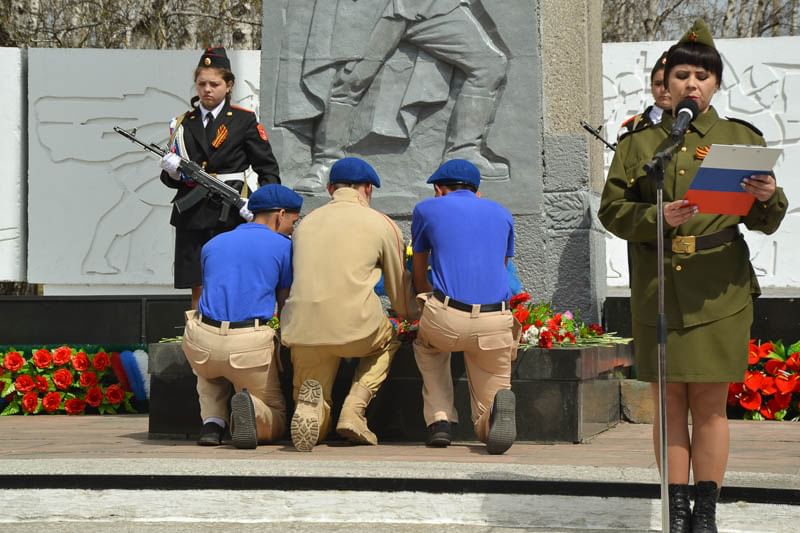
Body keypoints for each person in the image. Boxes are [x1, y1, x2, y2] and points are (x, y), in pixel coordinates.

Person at [598, 20, 788, 533]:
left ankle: (706, 512)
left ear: (716, 85)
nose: (692, 84)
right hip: (659, 288)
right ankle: (675, 509)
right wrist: (655, 218)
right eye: (682, 74)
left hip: (719, 289)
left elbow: (767, 218)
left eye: (702, 76)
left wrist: (768, 197)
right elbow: (612, 211)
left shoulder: (738, 139)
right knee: (669, 401)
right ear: (667, 81)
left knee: (709, 404)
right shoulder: (640, 143)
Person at [293, 0, 509, 192]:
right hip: (378, 8)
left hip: (432, 5)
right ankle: (327, 162)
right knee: (351, 81)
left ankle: (463, 152)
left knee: (490, 65)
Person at [280, 157, 418, 452]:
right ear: (367, 189)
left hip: (303, 330)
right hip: (357, 329)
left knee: (313, 380)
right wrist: (409, 316)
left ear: (330, 188)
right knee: (389, 338)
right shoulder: (381, 224)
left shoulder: (305, 224)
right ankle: (354, 409)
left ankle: (312, 409)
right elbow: (398, 289)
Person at [180, 184, 302, 449]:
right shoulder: (283, 246)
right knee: (276, 412)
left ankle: (212, 423)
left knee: (210, 376)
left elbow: (203, 292)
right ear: (280, 214)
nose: (294, 227)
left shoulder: (213, 244)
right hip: (248, 347)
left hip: (202, 340)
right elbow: (284, 301)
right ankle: (254, 413)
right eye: (294, 220)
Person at [160, 47, 281, 309]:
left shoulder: (243, 121)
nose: (207, 89)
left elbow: (268, 169)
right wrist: (171, 171)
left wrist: (261, 208)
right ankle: (197, 337)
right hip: (192, 215)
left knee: (231, 278)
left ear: (229, 85)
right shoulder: (184, 123)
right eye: (201, 83)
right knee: (198, 283)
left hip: (231, 212)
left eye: (214, 84)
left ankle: (231, 335)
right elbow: (172, 179)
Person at [411, 159, 518, 454]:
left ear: (438, 190)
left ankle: (440, 420)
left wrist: (425, 300)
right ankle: (493, 416)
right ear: (477, 192)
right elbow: (502, 266)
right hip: (496, 319)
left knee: (427, 345)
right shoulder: (503, 214)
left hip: (447, 318)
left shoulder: (426, 210)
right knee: (490, 396)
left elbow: (420, 274)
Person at [618, 51, 672, 138]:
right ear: (651, 86)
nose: (663, 89)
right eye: (658, 84)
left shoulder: (694, 124)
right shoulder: (632, 127)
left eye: (668, 84)